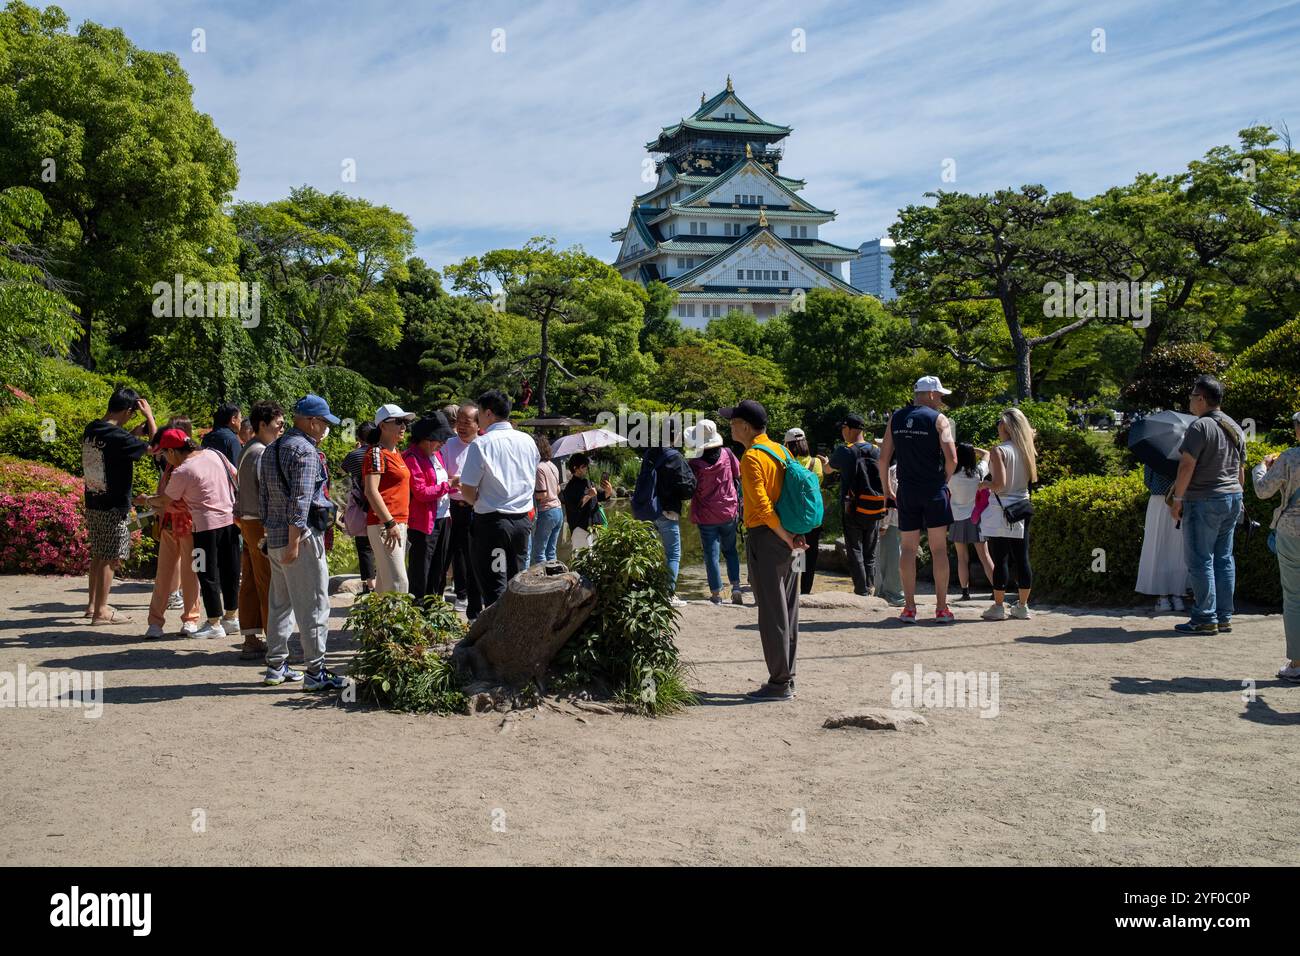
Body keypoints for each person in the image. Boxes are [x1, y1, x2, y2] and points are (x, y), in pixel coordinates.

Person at [258, 394, 347, 690]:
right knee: (315, 604)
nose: (326, 430)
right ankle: (315, 671)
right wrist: (296, 540)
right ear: (312, 421)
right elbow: (301, 500)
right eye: (324, 423)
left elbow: (266, 498)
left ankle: (276, 666)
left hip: (275, 537)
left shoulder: (270, 449)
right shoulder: (306, 452)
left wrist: (272, 534)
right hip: (303, 538)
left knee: (279, 603)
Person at [721, 400, 805, 700]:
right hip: (793, 537)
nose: (730, 425)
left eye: (733, 421)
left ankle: (779, 683)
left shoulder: (751, 457)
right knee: (790, 609)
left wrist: (782, 536)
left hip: (769, 538)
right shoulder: (781, 450)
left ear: (745, 426)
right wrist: (794, 536)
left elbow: (762, 506)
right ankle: (788, 677)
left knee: (772, 612)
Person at [135, 429, 240, 639]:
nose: (164, 458)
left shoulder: (183, 470)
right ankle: (229, 618)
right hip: (221, 522)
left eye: (165, 453)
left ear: (172, 451)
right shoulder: (214, 454)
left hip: (200, 526)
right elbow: (236, 476)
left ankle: (206, 621)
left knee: (202, 573)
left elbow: (165, 501)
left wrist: (146, 500)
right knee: (226, 573)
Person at [878, 376, 958, 623]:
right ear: (931, 394)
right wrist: (943, 481)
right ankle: (941, 608)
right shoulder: (939, 420)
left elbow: (882, 459)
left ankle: (909, 608)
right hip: (933, 490)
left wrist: (887, 490)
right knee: (938, 550)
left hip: (907, 491)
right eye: (940, 396)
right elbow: (952, 458)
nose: (942, 400)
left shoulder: (896, 418)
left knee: (908, 549)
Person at [1171, 375, 1245, 635]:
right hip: (1233, 497)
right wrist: (1240, 498)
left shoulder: (1200, 427)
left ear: (1201, 399)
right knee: (1224, 559)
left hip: (1204, 498)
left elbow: (1187, 465)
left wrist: (1177, 499)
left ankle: (1204, 617)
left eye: (1192, 396)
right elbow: (1240, 470)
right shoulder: (1235, 426)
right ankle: (1224, 616)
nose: (1190, 400)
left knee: (1201, 559)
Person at [81, 386, 156, 624]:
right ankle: (102, 612)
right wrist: (150, 418)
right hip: (114, 506)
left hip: (94, 500)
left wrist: (132, 432)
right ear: (127, 411)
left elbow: (114, 445)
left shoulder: (92, 428)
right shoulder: (119, 438)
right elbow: (157, 448)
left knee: (98, 553)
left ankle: (93, 605)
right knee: (111, 557)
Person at [459, 389, 539, 610]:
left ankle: (499, 639)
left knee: (494, 586)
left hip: (492, 523)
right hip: (522, 521)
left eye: (480, 415)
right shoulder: (527, 441)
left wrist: (476, 501)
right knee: (518, 582)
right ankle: (520, 632)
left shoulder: (482, 443)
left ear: (489, 413)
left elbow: (467, 489)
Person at [143, 419, 203, 639]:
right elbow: (168, 499)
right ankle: (155, 621)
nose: (163, 456)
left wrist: (154, 502)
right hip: (169, 524)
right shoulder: (171, 466)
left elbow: (177, 500)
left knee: (191, 574)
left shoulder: (191, 466)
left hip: (190, 525)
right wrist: (162, 503)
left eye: (165, 451)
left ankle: (191, 618)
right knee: (163, 574)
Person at [234, 401, 284, 658]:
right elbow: (266, 493)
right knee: (268, 582)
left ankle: (251, 638)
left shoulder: (248, 449)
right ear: (262, 425)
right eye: (278, 424)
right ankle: (274, 642)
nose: (281, 429)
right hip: (260, 523)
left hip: (248, 521)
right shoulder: (261, 452)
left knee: (252, 581)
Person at [1253, 411, 1300, 681]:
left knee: (1294, 598)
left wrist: (1262, 466)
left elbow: (1262, 490)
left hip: (1292, 532)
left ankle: (1297, 662)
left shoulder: (1290, 457)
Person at [979, 409, 1038, 620]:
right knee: (1022, 557)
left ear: (1004, 426)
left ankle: (998, 607)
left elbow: (999, 485)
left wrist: (984, 484)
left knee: (1001, 557)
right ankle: (1022, 605)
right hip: (1022, 506)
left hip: (1001, 508)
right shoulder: (1026, 449)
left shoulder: (999, 451)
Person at [685, 418, 744, 606]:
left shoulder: (695, 463)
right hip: (728, 511)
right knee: (731, 551)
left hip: (707, 515)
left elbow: (690, 487)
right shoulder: (727, 454)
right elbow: (738, 474)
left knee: (711, 555)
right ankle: (735, 587)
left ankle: (716, 594)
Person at [633, 440, 697, 605]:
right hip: (668, 511)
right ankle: (668, 594)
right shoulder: (675, 456)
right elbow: (688, 486)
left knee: (648, 553)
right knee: (673, 554)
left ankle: (647, 592)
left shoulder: (649, 454)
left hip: (647, 511)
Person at [364, 403, 417, 594]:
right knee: (398, 583)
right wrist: (389, 523)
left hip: (397, 523)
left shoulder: (397, 454)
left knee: (385, 584)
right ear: (382, 426)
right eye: (398, 421)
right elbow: (371, 491)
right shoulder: (377, 453)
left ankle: (377, 625)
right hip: (384, 524)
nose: (403, 426)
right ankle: (395, 624)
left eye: (405, 422)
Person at [404, 413, 456, 602]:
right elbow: (421, 492)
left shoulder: (437, 455)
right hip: (424, 522)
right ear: (426, 439)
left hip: (443, 517)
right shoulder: (412, 458)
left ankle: (433, 608)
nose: (443, 443)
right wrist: (448, 485)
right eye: (440, 438)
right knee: (421, 570)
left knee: (439, 568)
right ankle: (417, 610)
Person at [827, 413, 881, 596]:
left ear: (849, 429)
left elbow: (828, 469)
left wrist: (825, 463)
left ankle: (861, 590)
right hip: (874, 505)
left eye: (843, 428)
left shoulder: (845, 451)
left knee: (855, 549)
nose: (842, 432)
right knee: (870, 549)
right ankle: (871, 585)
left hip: (852, 508)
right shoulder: (876, 450)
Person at [441, 402, 482, 616]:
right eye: (459, 422)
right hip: (452, 505)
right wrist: (455, 482)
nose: (462, 427)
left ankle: (474, 595)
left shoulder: (483, 445)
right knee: (454, 551)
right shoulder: (447, 445)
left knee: (474, 551)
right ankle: (460, 593)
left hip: (476, 507)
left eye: (467, 423)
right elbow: (439, 476)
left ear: (478, 424)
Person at [1135, 463, 1188, 612]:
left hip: (1159, 500)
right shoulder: (1185, 449)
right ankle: (1178, 597)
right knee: (1178, 549)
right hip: (1181, 500)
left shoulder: (1154, 449)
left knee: (1158, 547)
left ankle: (1163, 598)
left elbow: (1148, 480)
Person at [949, 442, 996, 602]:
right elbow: (987, 454)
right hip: (977, 519)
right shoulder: (978, 473)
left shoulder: (950, 475)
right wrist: (973, 449)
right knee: (985, 556)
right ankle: (997, 589)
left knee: (962, 557)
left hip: (956, 519)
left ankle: (965, 592)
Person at [783, 427, 827, 595]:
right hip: (813, 516)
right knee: (812, 552)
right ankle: (806, 591)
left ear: (788, 444)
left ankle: (793, 590)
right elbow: (818, 484)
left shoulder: (786, 464)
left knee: (797, 551)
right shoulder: (816, 463)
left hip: (793, 516)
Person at [341, 423, 380, 594]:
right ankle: (381, 581)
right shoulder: (382, 453)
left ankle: (368, 584)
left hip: (360, 505)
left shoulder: (353, 455)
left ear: (359, 438)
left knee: (364, 546)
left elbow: (341, 472)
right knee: (380, 544)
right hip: (380, 504)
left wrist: (356, 451)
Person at [561, 453, 612, 552]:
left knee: (597, 559)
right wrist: (589, 496)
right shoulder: (570, 487)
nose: (586, 468)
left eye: (586, 466)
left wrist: (608, 491)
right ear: (575, 468)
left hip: (595, 527)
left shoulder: (587, 482)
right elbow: (575, 507)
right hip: (580, 529)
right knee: (581, 560)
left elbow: (599, 496)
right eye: (583, 466)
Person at [874, 462, 905, 606]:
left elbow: (889, 500)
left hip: (893, 522)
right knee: (892, 557)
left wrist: (884, 523)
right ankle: (890, 593)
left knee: (889, 558)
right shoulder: (910, 467)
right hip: (903, 521)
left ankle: (891, 594)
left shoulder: (893, 470)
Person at [530, 434, 563, 565]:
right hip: (558, 511)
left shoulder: (539, 468)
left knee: (539, 552)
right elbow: (558, 489)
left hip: (547, 511)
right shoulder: (553, 465)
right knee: (551, 551)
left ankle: (542, 583)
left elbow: (542, 494)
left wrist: (531, 494)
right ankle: (554, 578)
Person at [201, 402, 243, 466]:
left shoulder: (207, 438)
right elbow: (237, 471)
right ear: (233, 419)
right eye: (240, 417)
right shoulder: (232, 440)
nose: (241, 420)